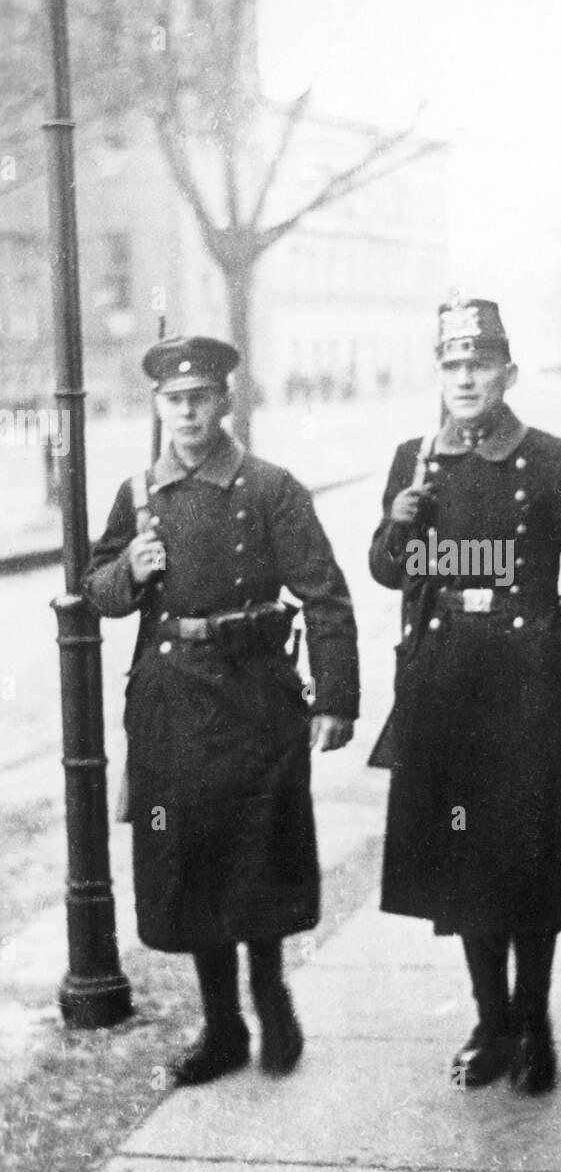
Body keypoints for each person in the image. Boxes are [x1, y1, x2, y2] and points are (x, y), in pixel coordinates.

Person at [369, 295, 561, 1094]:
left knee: (528, 861)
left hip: (526, 690)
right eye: (451, 365)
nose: (464, 379)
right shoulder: (414, 459)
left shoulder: (555, 463)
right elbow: (388, 570)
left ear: (507, 373)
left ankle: (533, 1022)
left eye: (479, 365)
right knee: (462, 862)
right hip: (443, 685)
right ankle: (489, 1021)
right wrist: (399, 524)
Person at [84, 336, 359, 1085]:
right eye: (174, 400)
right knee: (193, 859)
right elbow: (96, 589)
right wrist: (127, 571)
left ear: (224, 403)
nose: (188, 412)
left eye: (200, 397)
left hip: (256, 694)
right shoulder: (140, 495)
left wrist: (336, 698)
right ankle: (222, 1026)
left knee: (258, 850)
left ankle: (271, 1000)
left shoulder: (270, 489)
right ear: (158, 408)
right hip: (173, 702)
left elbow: (325, 593)